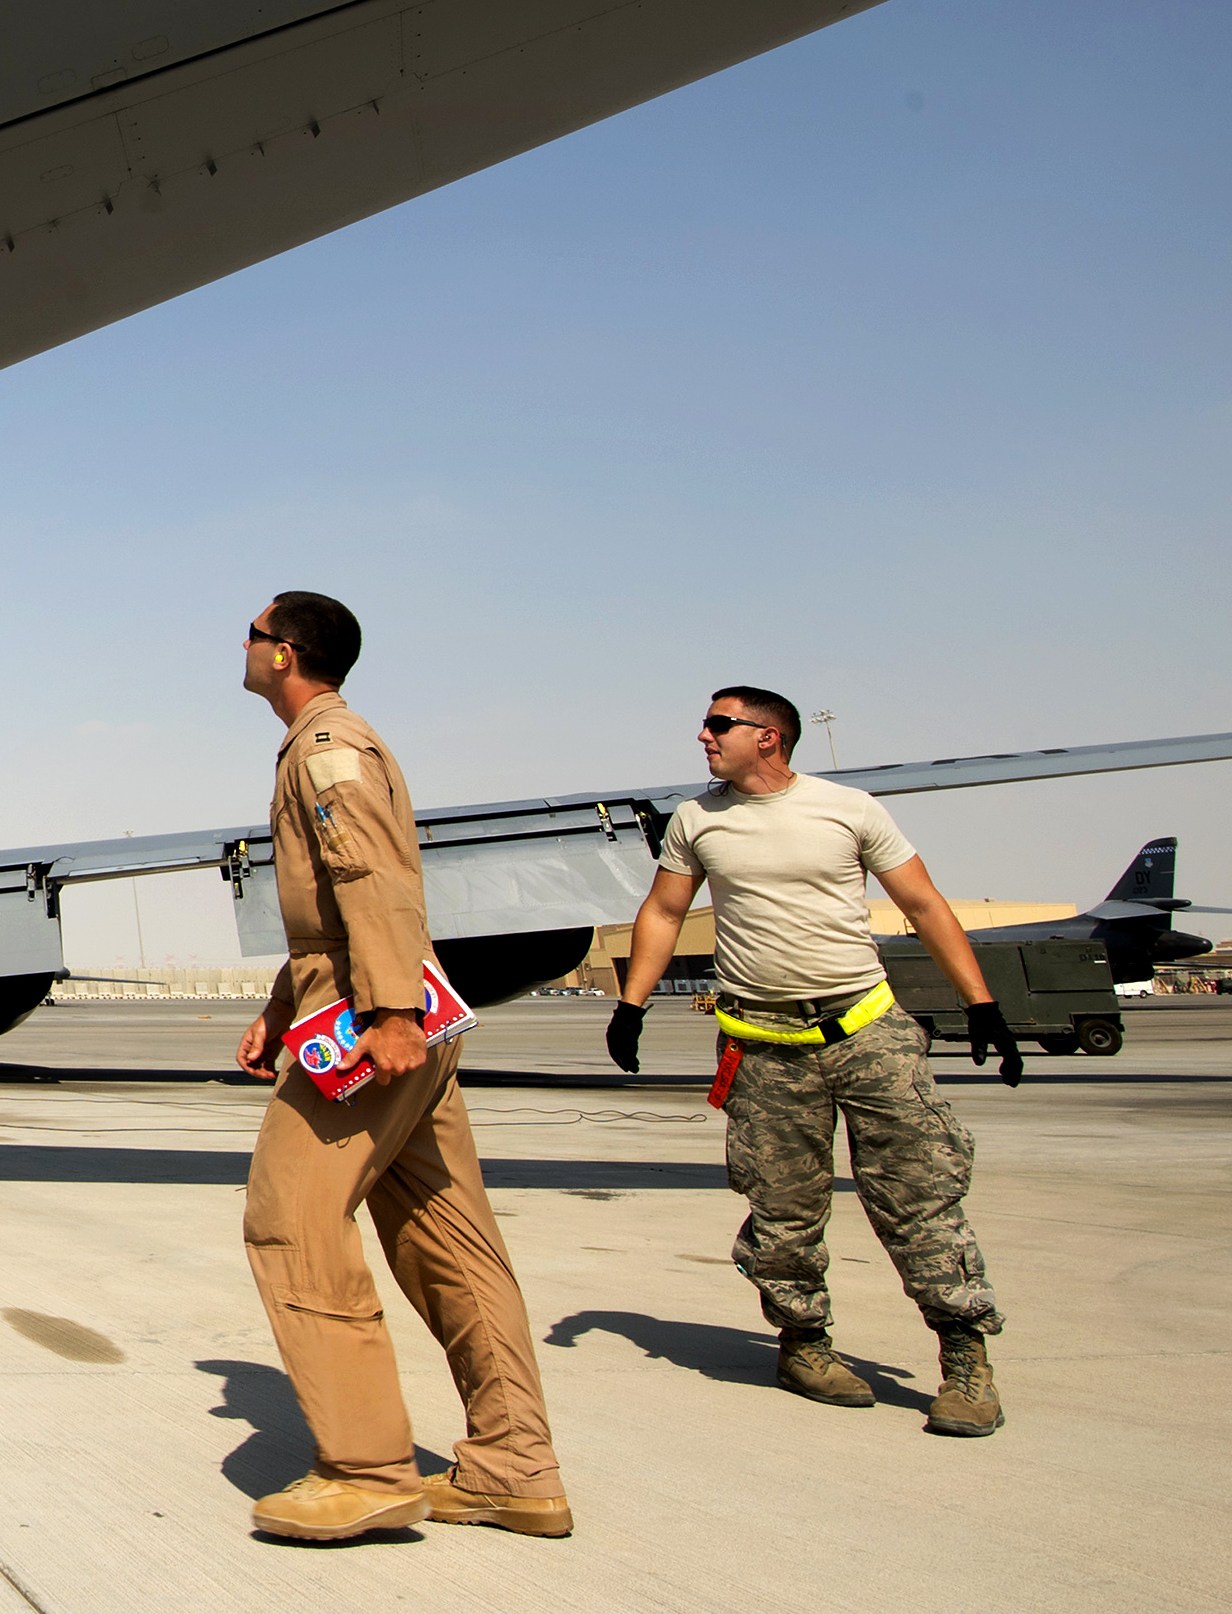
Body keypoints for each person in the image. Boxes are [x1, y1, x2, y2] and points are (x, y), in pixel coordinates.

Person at [233, 592, 570, 1541]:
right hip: (374, 1011)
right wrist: (278, 1007)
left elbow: (369, 879)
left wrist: (387, 1013)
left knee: (290, 1220)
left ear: (285, 652)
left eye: (252, 634)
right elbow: (329, 909)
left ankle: (366, 1466)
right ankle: (515, 1468)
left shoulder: (328, 749)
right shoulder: (324, 743)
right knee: (447, 1241)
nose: (243, 648)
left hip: (374, 1028)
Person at [606, 687, 1013, 1436]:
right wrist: (631, 1003)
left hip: (867, 1032)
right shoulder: (698, 819)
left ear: (769, 737)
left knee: (920, 1197)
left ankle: (965, 1360)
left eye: (719, 724)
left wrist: (981, 1001)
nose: (703, 735)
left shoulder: (849, 808)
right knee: (782, 1211)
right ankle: (804, 1346)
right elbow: (664, 912)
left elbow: (923, 904)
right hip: (761, 1044)